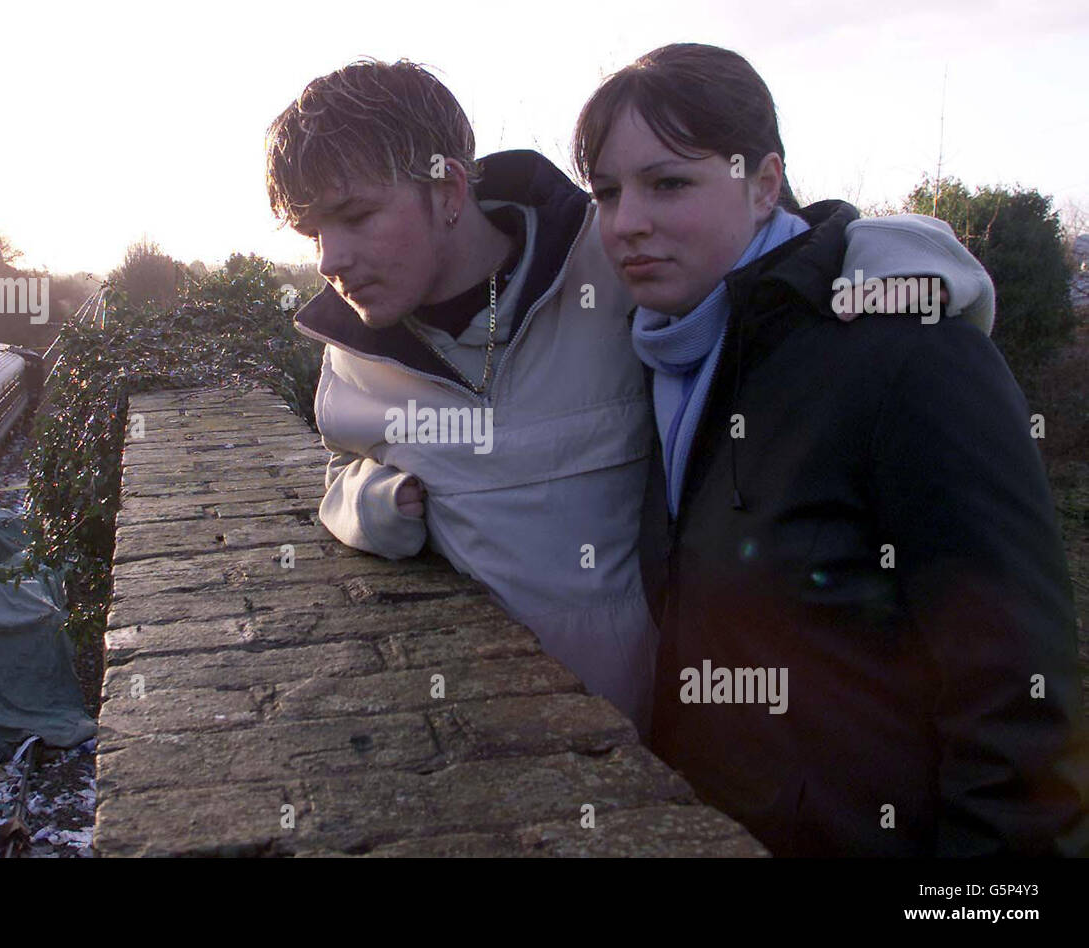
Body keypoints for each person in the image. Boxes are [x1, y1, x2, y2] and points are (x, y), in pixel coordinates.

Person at [265, 58, 991, 748]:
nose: (329, 259)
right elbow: (338, 466)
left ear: (450, 189)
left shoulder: (612, 258)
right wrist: (367, 503)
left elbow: (765, 261)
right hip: (484, 738)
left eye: (355, 215)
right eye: (313, 232)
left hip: (681, 734)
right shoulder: (349, 352)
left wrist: (892, 256)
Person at [573, 42, 1089, 855]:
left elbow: (1017, 687)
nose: (627, 220)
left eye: (669, 182)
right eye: (606, 192)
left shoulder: (905, 348)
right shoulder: (656, 355)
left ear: (764, 182)